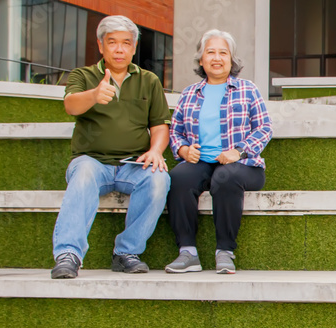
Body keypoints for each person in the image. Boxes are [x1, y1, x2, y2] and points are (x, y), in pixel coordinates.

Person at [51, 15, 171, 279]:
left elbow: (160, 125)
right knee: (81, 175)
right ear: (101, 45)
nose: (119, 49)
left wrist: (156, 151)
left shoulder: (149, 80)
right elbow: (71, 105)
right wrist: (94, 95)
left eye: (126, 43)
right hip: (92, 162)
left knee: (159, 179)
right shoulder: (82, 75)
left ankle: (127, 252)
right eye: (112, 42)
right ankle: (68, 254)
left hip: (134, 164)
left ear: (134, 47)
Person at [164, 30, 272, 274]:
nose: (217, 57)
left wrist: (239, 151)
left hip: (244, 166)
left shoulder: (247, 89)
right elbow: (176, 130)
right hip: (201, 162)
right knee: (179, 178)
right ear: (201, 60)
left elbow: (264, 127)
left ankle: (225, 251)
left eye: (223, 52)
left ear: (231, 59)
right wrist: (182, 149)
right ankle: (187, 252)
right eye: (210, 52)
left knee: (225, 177)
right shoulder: (189, 93)